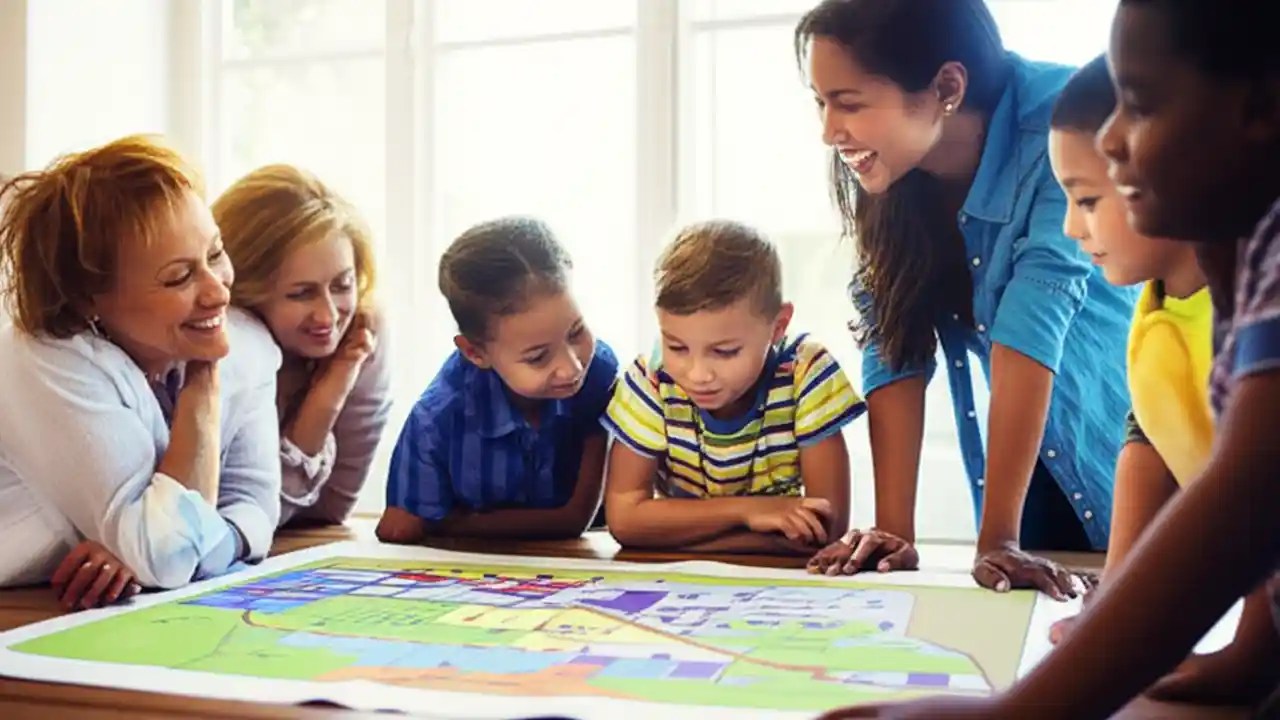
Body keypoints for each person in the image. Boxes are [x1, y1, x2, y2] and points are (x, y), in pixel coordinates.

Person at [817, 0, 1280, 717]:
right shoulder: (1226, 277)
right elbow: (1164, 448)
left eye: (1141, 104)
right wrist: (897, 531)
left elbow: (1248, 498)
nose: (1111, 138)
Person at [798, 0, 1136, 600]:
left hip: (1120, 450)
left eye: (848, 104)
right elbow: (892, 339)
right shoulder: (889, 171)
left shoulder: (1061, 126)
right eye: (821, 103)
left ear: (947, 86)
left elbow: (1034, 321)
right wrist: (893, 531)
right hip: (1023, 466)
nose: (828, 132)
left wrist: (998, 536)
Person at [1045, 54, 1279, 705]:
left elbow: (1259, 498)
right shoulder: (1151, 306)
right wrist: (1112, 601)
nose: (1071, 228)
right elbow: (1147, 439)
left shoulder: (1250, 314)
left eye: (1088, 199)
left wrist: (1251, 654)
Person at [0, 135, 282, 610]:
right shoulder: (43, 358)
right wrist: (204, 387)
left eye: (215, 254)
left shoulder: (247, 346)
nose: (218, 292)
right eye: (178, 277)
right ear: (90, 298)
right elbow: (166, 555)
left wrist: (167, 548)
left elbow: (254, 508)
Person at [602, 220, 863, 554]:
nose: (697, 374)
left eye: (725, 351)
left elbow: (823, 528)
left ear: (778, 326)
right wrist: (750, 512)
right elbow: (624, 520)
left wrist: (680, 533)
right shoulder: (650, 380)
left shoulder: (805, 372)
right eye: (677, 347)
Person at [376, 216, 617, 542]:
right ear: (476, 353)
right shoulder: (439, 415)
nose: (573, 368)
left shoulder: (598, 372)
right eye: (538, 357)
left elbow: (575, 519)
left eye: (576, 332)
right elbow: (400, 528)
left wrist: (455, 523)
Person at [213, 165, 391, 527]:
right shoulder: (223, 346)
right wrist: (326, 400)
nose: (328, 316)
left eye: (342, 285)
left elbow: (329, 510)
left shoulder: (360, 332)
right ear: (244, 293)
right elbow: (242, 517)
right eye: (301, 293)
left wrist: (340, 378)